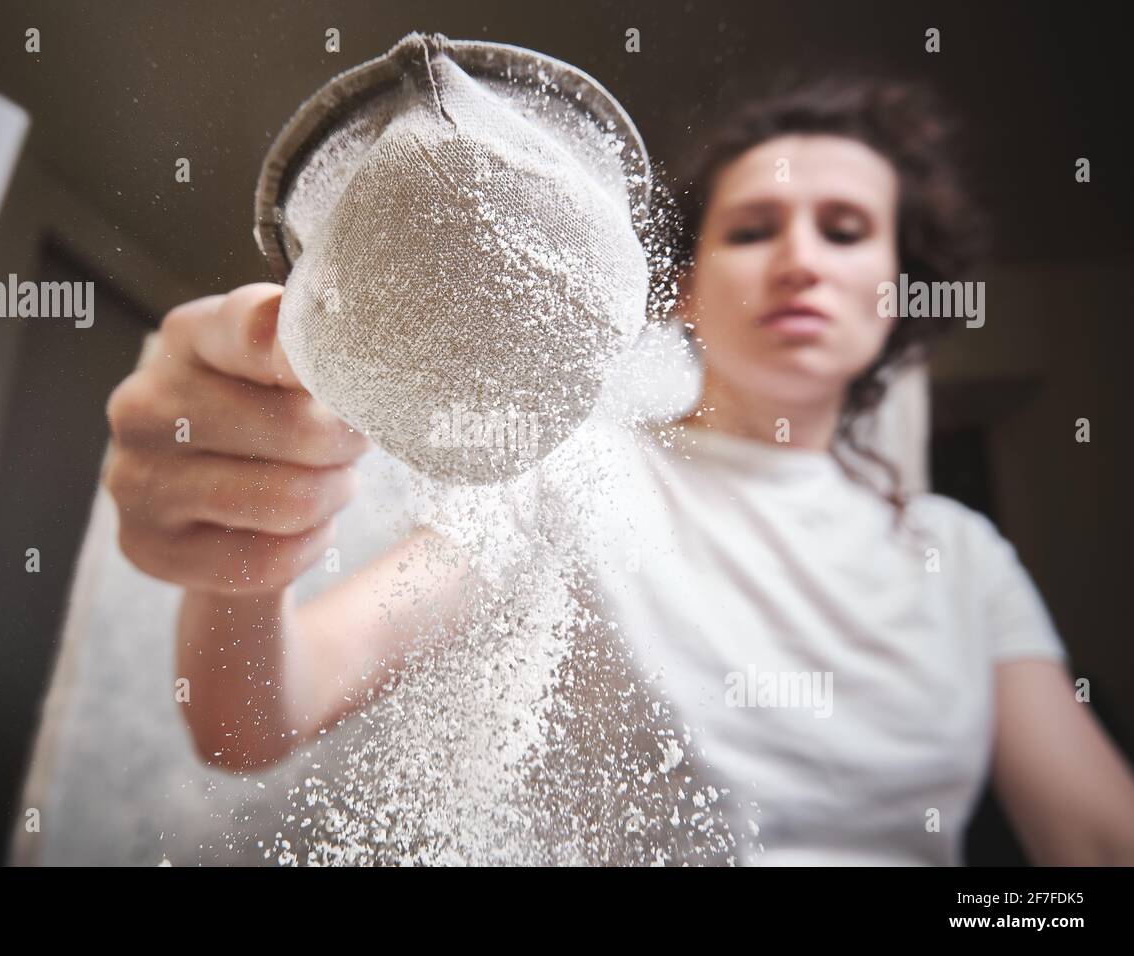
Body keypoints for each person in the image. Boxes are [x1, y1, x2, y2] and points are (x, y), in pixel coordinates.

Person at [102, 78, 1134, 865]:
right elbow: (253, 716)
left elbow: (1092, 835)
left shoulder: (956, 552)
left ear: (894, 297)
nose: (800, 259)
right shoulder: (570, 473)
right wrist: (246, 542)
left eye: (847, 230)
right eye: (752, 228)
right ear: (678, 287)